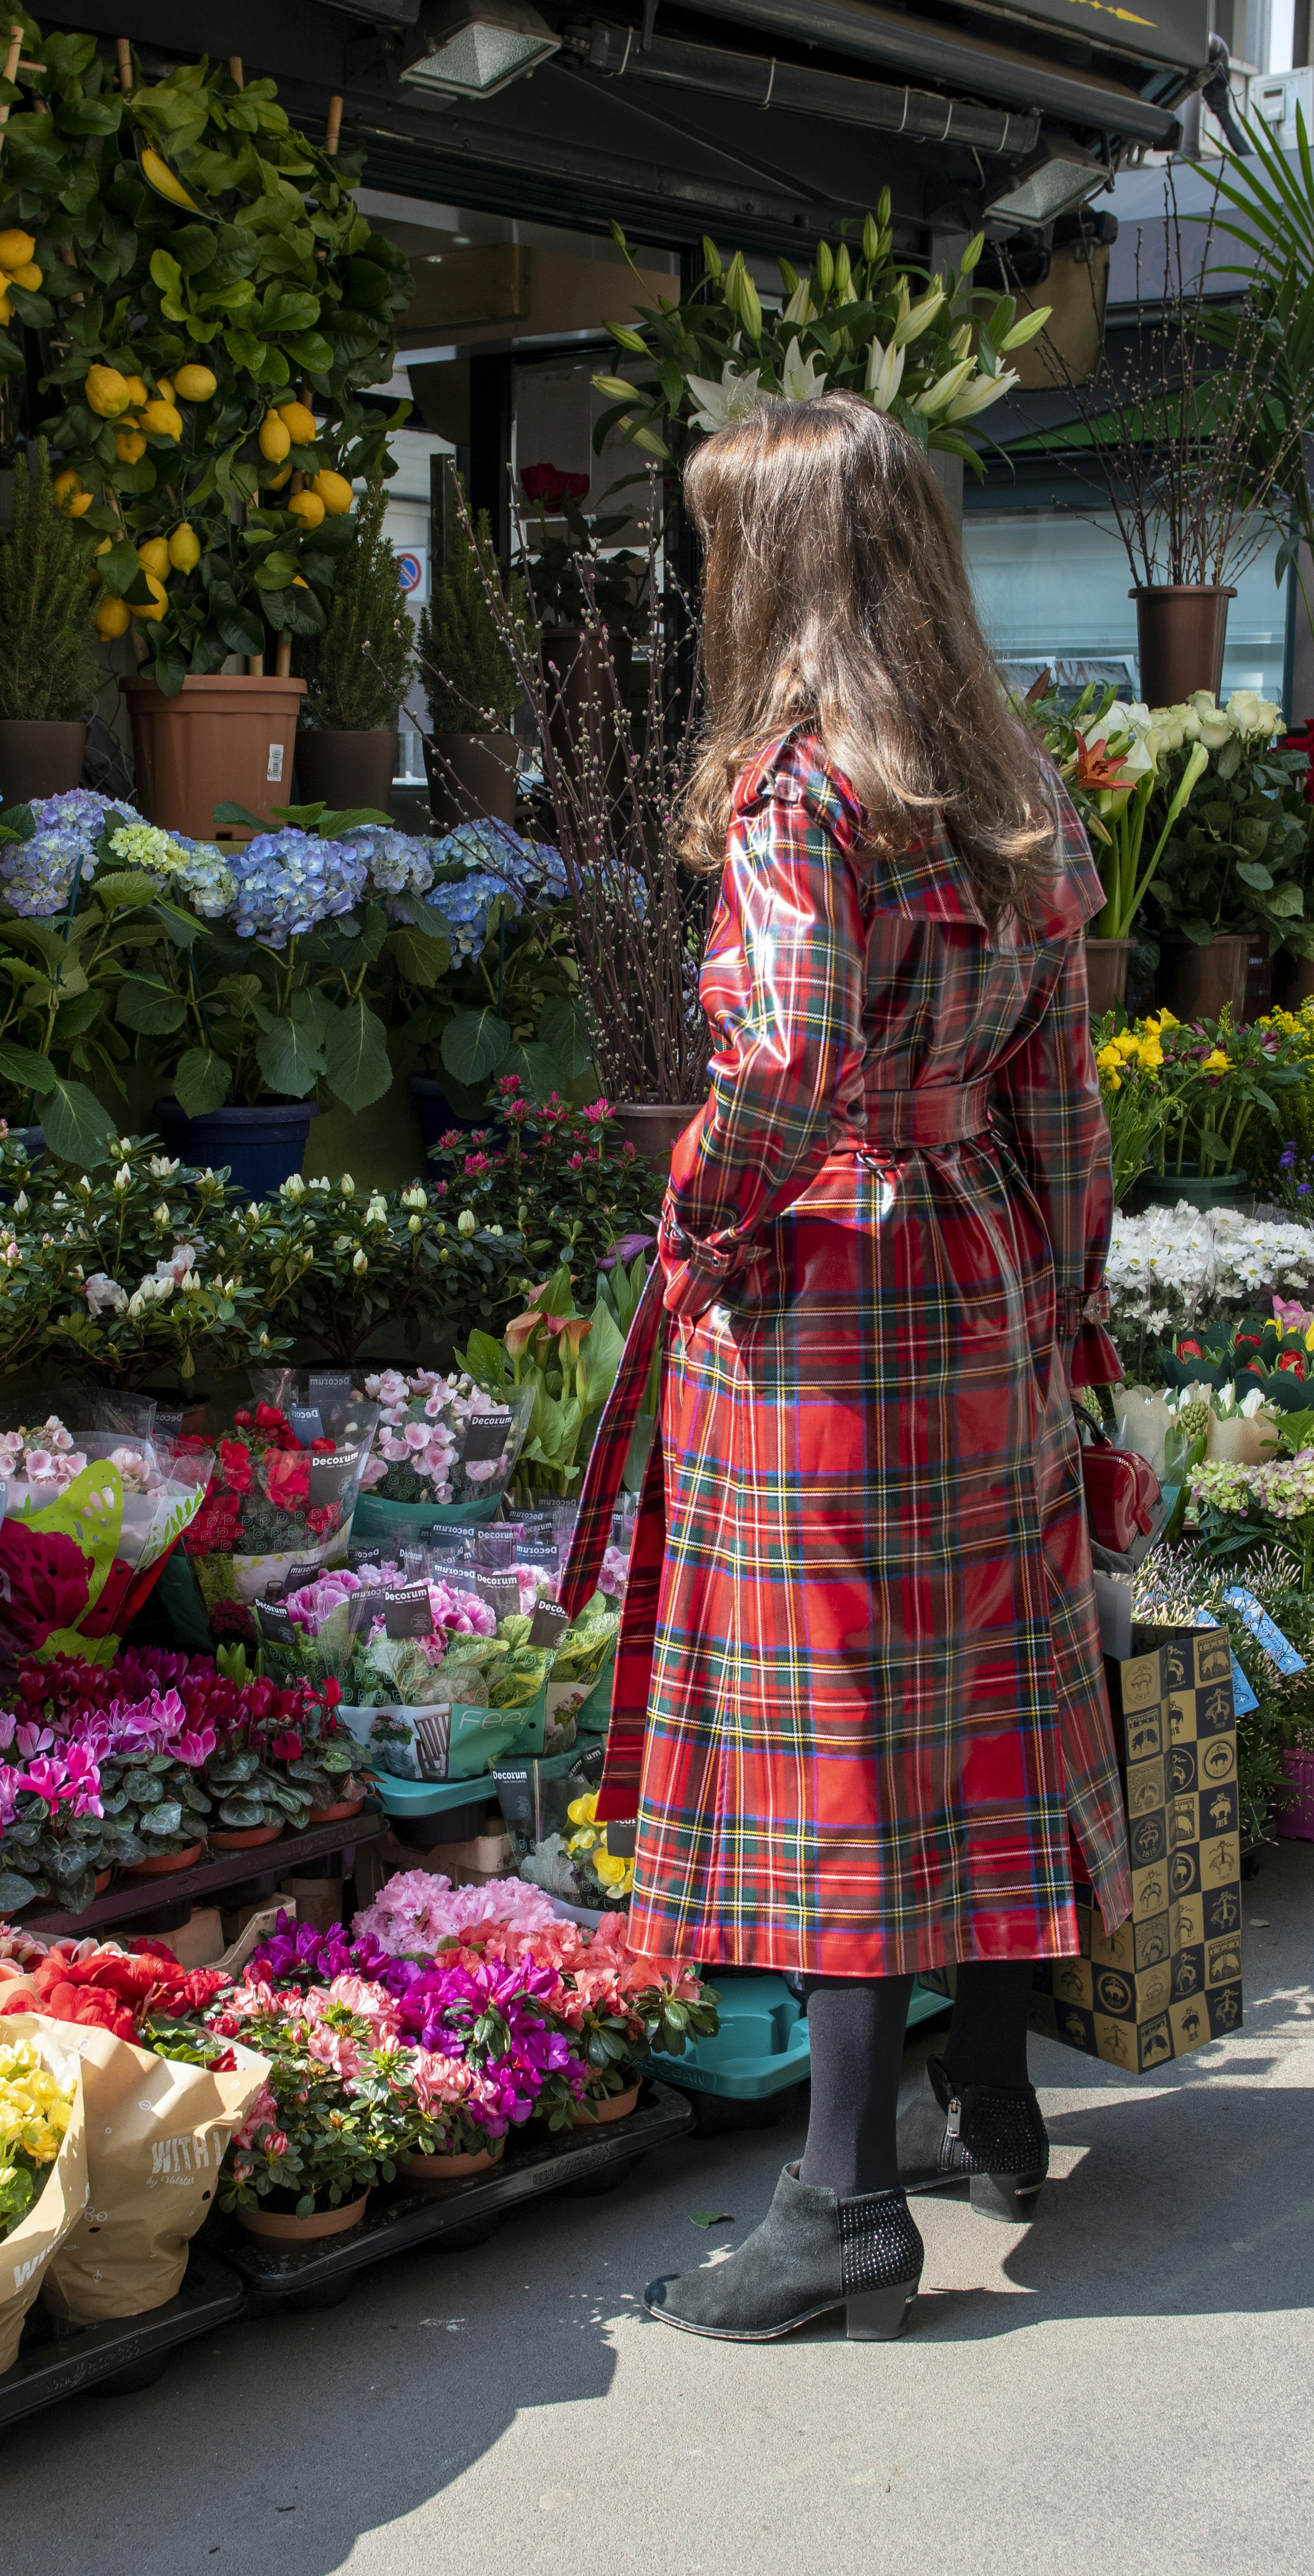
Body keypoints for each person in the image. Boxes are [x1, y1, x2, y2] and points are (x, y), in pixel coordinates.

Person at [555, 390, 1130, 2344]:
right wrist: (1057, 1312)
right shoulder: (1008, 782)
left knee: (842, 1756)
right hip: (973, 1284)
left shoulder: (807, 790)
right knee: (960, 1691)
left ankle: (839, 2201)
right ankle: (986, 2096)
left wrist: (700, 1207)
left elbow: (784, 1061)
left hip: (822, 1319)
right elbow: (1060, 1102)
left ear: (780, 563)